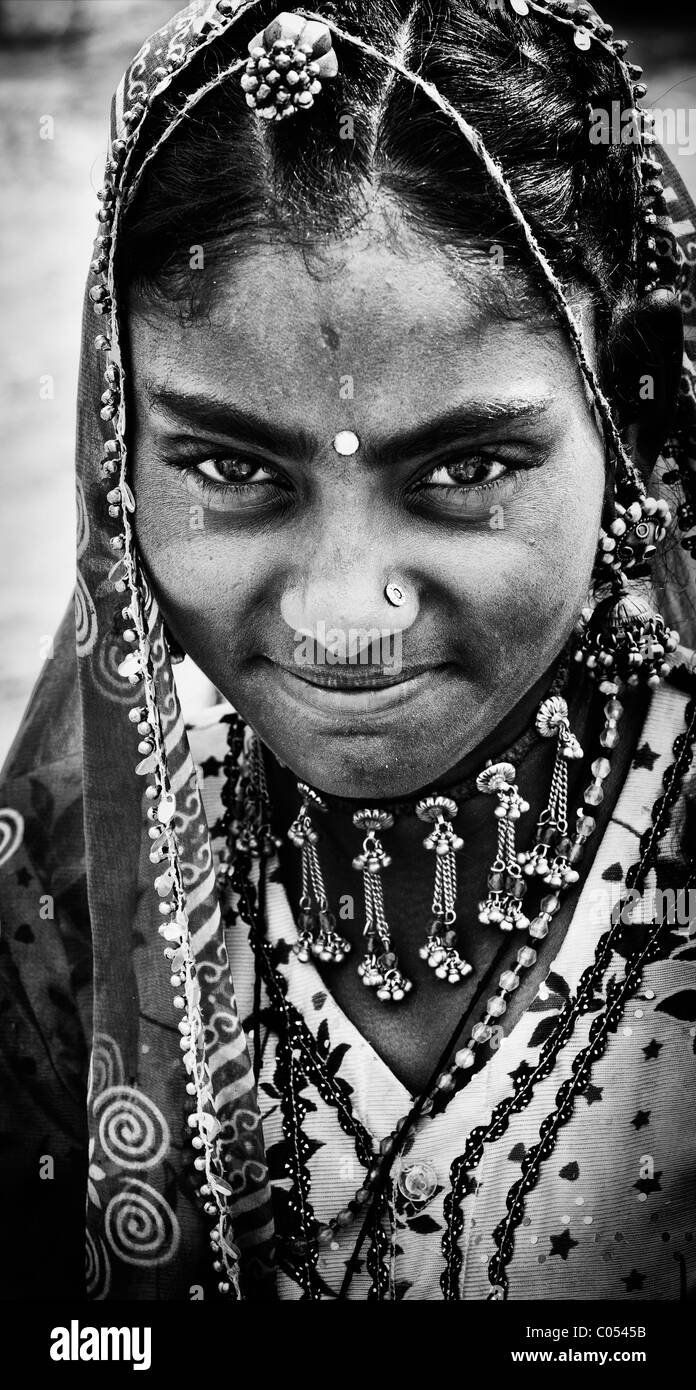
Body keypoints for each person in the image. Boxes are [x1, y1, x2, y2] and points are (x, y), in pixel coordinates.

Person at [1, 0, 695, 1302]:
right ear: (117, 463)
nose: (344, 608)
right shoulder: (56, 898)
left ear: (637, 437)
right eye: (226, 465)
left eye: (468, 466)